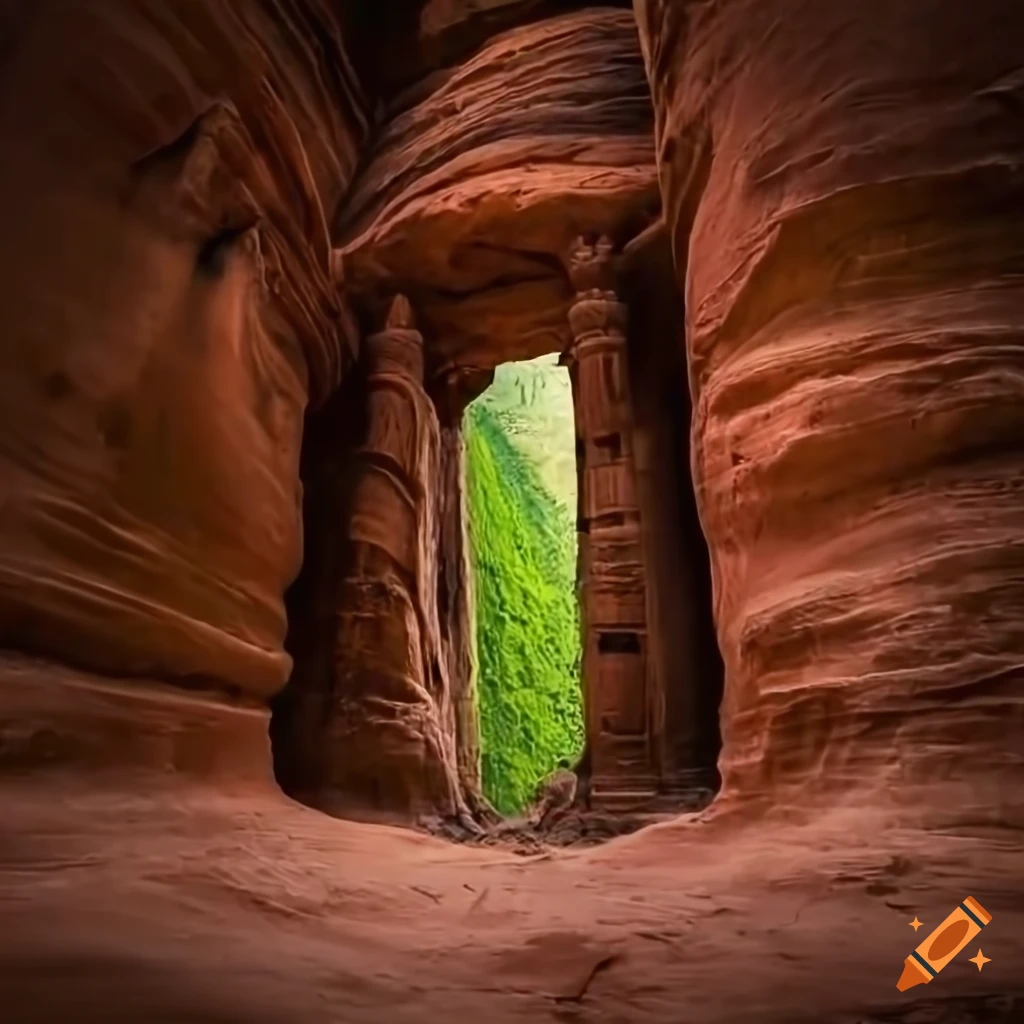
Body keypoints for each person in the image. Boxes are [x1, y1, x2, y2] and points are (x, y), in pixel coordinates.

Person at [530, 758, 578, 829]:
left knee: (546, 803)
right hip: (565, 799)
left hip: (563, 800)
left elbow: (556, 787)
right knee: (546, 802)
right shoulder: (572, 776)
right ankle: (538, 820)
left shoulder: (563, 775)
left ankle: (536, 818)